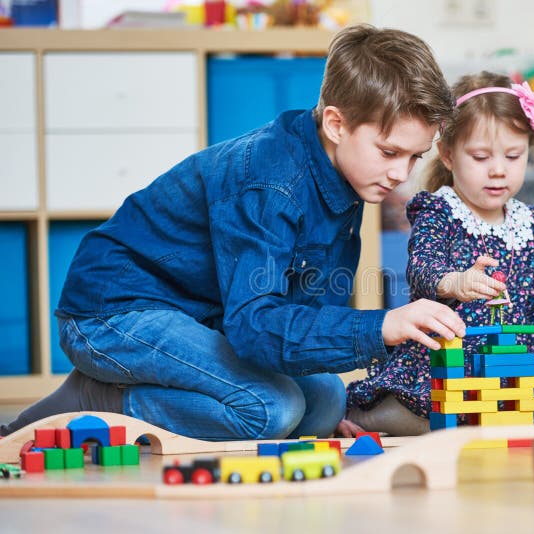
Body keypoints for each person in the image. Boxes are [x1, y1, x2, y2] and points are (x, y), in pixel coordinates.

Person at [0, 24, 467, 441]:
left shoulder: (349, 176)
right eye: (389, 152)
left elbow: (306, 311)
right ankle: (100, 399)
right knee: (270, 408)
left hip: (202, 318)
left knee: (326, 400)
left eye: (414, 157)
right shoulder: (272, 184)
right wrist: (380, 325)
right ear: (335, 124)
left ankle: (150, 386)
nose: (400, 175)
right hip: (112, 312)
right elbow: (254, 325)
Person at [342, 71, 534, 436]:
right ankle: (367, 416)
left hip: (511, 367)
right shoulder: (439, 211)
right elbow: (422, 268)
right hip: (445, 364)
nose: (498, 170)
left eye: (513, 155)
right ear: (447, 155)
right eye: (480, 156)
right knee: (435, 417)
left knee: (531, 418)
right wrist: (454, 281)